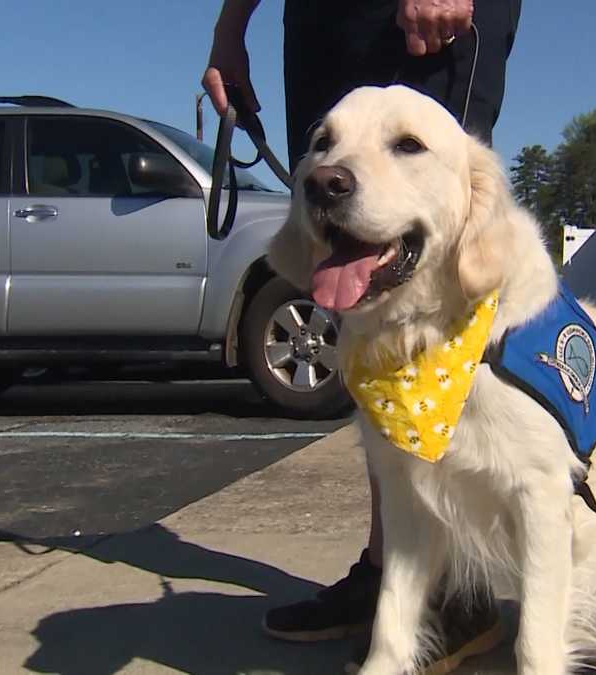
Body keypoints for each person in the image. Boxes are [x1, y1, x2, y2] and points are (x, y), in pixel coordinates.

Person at [203, 1, 521, 670]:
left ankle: (454, 584)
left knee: (443, 277)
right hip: (321, 20)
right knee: (351, 233)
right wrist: (231, 27)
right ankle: (392, 567)